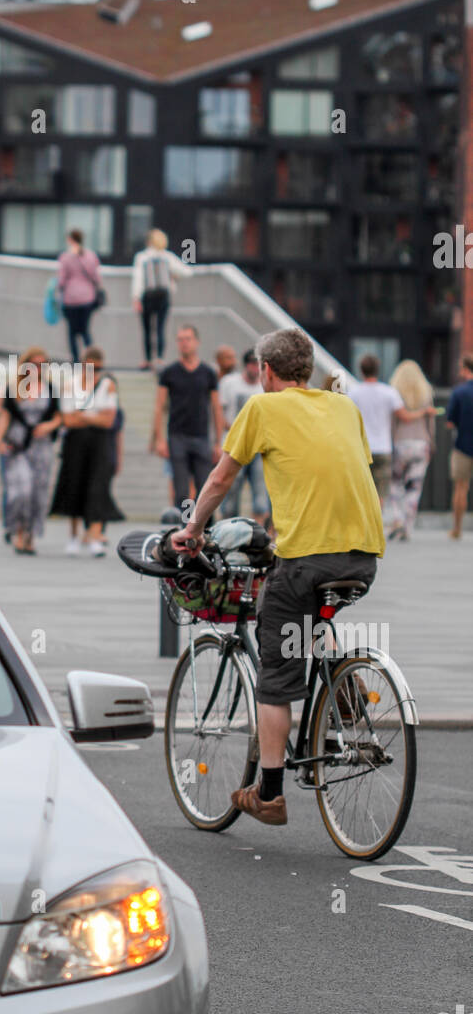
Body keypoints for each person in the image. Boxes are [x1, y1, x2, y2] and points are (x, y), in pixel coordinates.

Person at [172, 327, 385, 827]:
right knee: (314, 626)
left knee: (276, 669)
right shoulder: (345, 407)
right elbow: (337, 470)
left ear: (265, 371)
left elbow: (222, 476)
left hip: (307, 558)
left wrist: (193, 529)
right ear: (306, 369)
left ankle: (268, 793)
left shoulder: (262, 409)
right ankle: (342, 709)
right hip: (363, 555)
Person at [49, 347, 123, 557]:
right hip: (75, 443)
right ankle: (73, 535)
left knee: (97, 487)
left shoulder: (108, 385)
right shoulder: (70, 384)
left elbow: (108, 420)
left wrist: (84, 416)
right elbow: (67, 419)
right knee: (74, 485)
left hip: (100, 443)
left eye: (98, 368)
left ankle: (94, 535)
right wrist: (94, 415)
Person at [0, 347, 62, 555]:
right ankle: (18, 531)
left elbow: (59, 416)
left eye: (42, 365)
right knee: (21, 490)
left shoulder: (50, 389)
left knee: (38, 493)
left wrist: (48, 427)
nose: (38, 369)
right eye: (34, 365)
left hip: (41, 447)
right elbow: (6, 414)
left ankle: (30, 535)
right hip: (19, 444)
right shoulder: (15, 388)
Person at [348, 354, 435, 511]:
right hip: (383, 448)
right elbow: (404, 417)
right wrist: (424, 412)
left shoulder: (353, 393)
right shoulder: (388, 393)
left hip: (361, 449)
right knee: (382, 491)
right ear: (377, 370)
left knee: (363, 490)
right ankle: (379, 523)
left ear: (361, 371)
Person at [152, 325, 224, 514]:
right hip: (177, 436)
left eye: (187, 339)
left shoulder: (208, 373)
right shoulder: (169, 372)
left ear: (197, 342)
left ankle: (205, 530)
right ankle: (184, 529)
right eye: (180, 339)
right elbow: (159, 406)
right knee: (182, 492)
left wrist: (218, 442)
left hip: (201, 437)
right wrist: (159, 439)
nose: (184, 343)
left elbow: (216, 408)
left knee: (205, 489)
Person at [218, 348, 270, 524]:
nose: (255, 368)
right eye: (252, 364)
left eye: (259, 365)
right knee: (230, 492)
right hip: (235, 444)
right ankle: (228, 529)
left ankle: (260, 534)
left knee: (260, 495)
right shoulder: (230, 383)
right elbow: (220, 412)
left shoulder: (265, 386)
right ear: (246, 365)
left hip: (258, 447)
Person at [386, 360, 435, 542]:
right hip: (421, 444)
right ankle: (408, 526)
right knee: (414, 487)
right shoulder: (426, 394)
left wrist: (389, 444)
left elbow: (392, 423)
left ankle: (397, 518)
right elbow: (430, 423)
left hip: (400, 443)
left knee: (395, 484)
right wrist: (431, 444)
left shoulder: (395, 394)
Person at [131, 229, 186, 370]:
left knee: (148, 329)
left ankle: (148, 359)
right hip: (164, 296)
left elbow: (138, 279)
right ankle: (160, 358)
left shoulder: (142, 257)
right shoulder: (167, 257)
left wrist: (136, 298)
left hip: (147, 296)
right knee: (161, 328)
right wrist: (173, 276)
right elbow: (185, 271)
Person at [57, 230, 101, 364]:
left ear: (70, 239)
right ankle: (91, 359)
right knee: (85, 330)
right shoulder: (91, 256)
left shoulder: (65, 257)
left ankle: (75, 360)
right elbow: (96, 277)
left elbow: (61, 281)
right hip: (87, 298)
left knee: (72, 331)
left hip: (71, 299)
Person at [446, 352, 473, 540]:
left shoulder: (459, 392)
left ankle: (457, 528)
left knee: (461, 488)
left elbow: (449, 422)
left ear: (465, 369)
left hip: (463, 445)